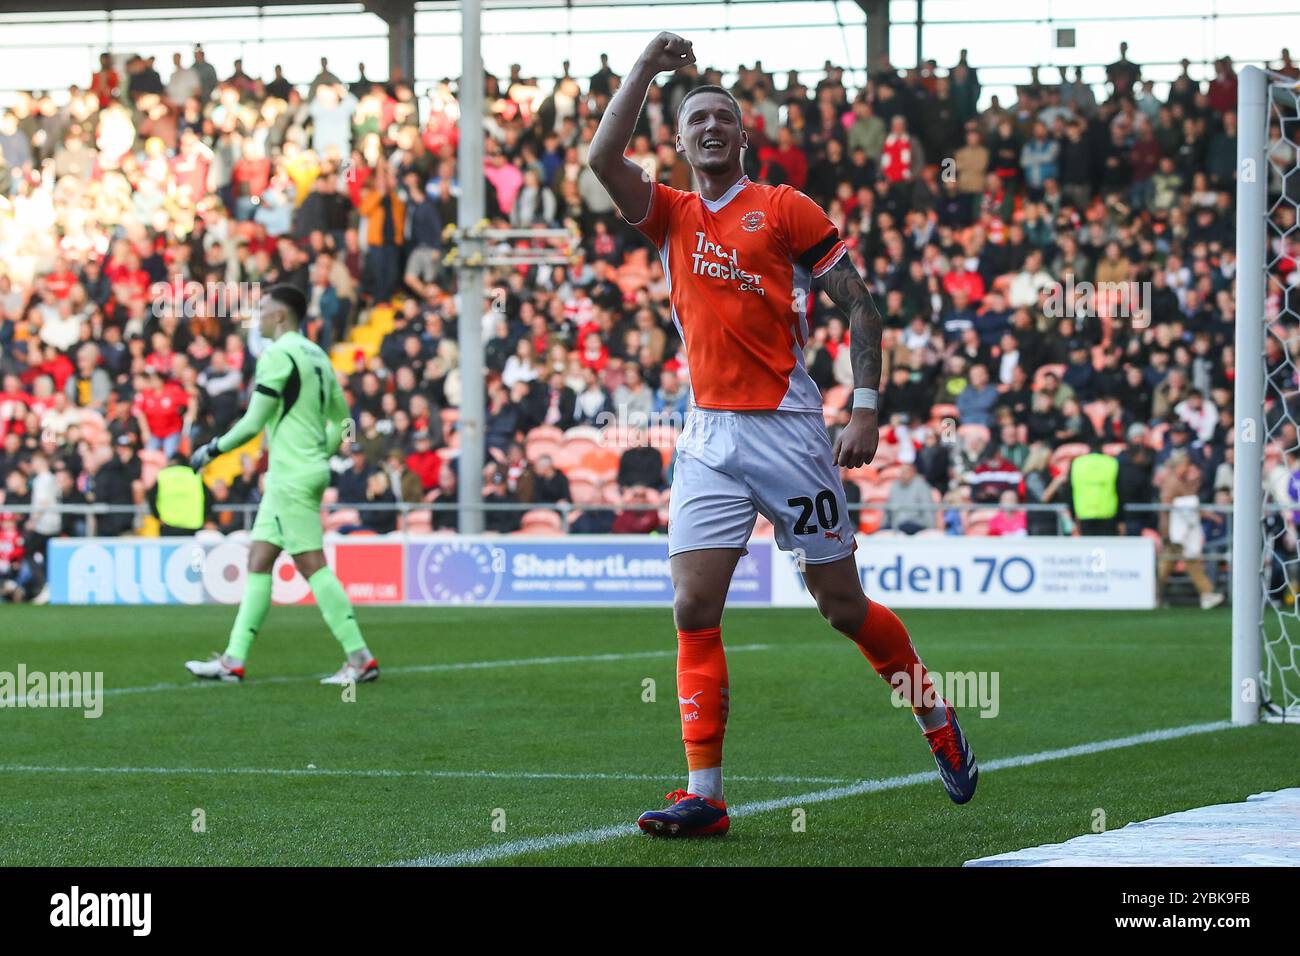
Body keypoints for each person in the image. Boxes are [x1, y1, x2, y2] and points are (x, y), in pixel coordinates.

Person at [587, 32, 977, 838]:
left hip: (790, 434)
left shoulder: (785, 207)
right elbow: (600, 159)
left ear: (742, 135)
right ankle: (706, 796)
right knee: (694, 607)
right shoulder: (670, 213)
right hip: (706, 439)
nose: (708, 127)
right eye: (694, 118)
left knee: (841, 608)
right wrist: (647, 70)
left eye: (722, 117)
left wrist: (864, 404)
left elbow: (860, 305)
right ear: (682, 138)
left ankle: (935, 715)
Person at [184, 285, 378, 686]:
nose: (258, 315)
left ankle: (360, 657)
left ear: (281, 316)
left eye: (264, 308)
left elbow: (254, 424)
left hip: (291, 475)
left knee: (310, 564)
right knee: (259, 560)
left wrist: (212, 449)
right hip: (295, 474)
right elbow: (345, 421)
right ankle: (233, 660)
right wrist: (319, 455)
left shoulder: (278, 354)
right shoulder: (319, 355)